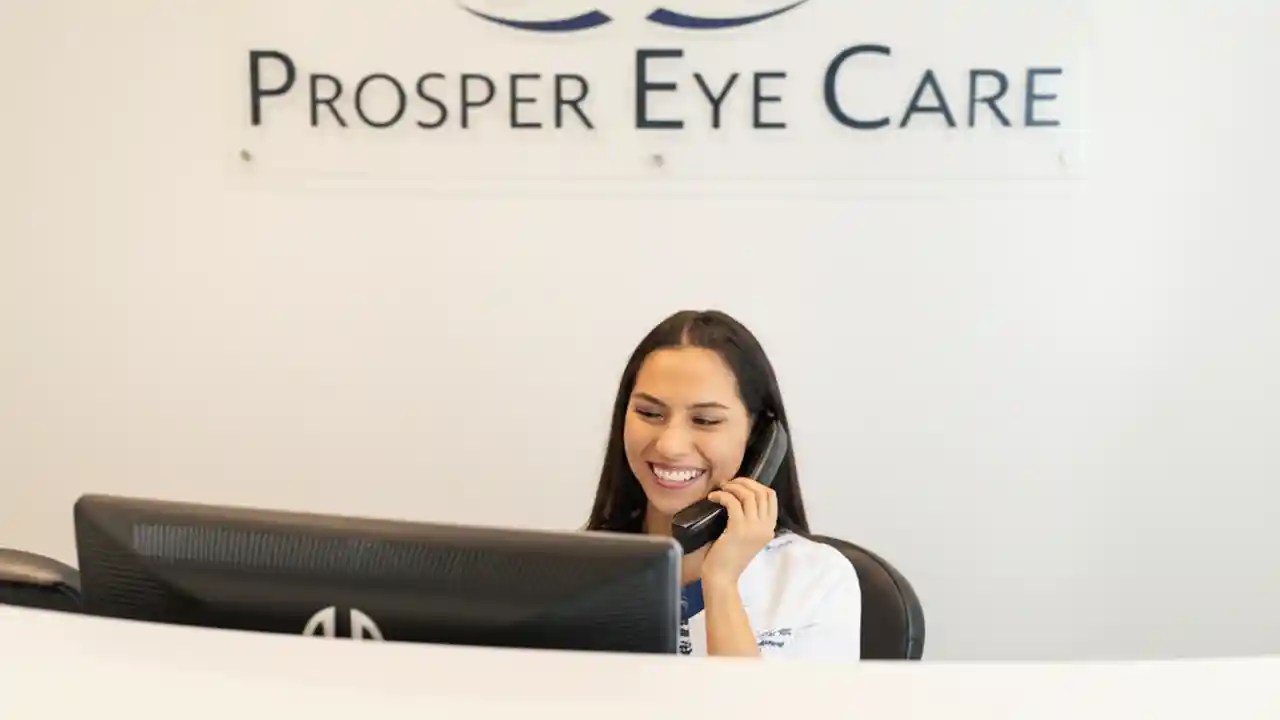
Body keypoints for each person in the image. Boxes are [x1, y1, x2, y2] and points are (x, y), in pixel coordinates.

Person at [585, 310, 862, 660]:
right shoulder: (580, 571)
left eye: (705, 420)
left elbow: (742, 697)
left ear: (759, 436)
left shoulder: (816, 579)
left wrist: (721, 583)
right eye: (650, 414)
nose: (670, 446)